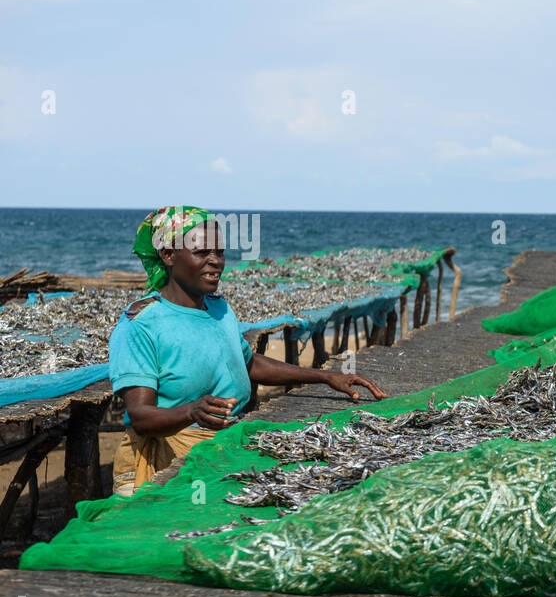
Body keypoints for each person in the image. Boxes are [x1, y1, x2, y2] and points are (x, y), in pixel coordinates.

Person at [110, 206, 388, 496]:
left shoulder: (217, 308)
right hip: (164, 462)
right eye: (202, 252)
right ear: (168, 255)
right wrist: (191, 411)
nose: (215, 262)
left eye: (219, 252)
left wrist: (325, 376)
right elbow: (141, 417)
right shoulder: (142, 323)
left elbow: (247, 362)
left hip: (221, 447)